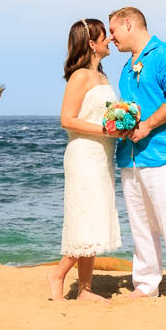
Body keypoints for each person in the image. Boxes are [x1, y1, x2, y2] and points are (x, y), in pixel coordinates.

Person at [107, 6, 166, 304]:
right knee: (140, 224)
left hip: (163, 154)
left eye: (113, 30)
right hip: (130, 157)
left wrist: (147, 125)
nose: (111, 38)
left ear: (129, 23)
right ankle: (146, 284)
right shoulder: (124, 68)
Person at [48, 18, 123, 302]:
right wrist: (108, 129)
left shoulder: (102, 76)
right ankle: (57, 274)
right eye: (105, 37)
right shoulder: (80, 76)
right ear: (92, 43)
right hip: (84, 155)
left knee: (94, 217)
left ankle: (85, 290)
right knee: (85, 219)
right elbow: (67, 119)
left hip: (102, 154)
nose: (110, 41)